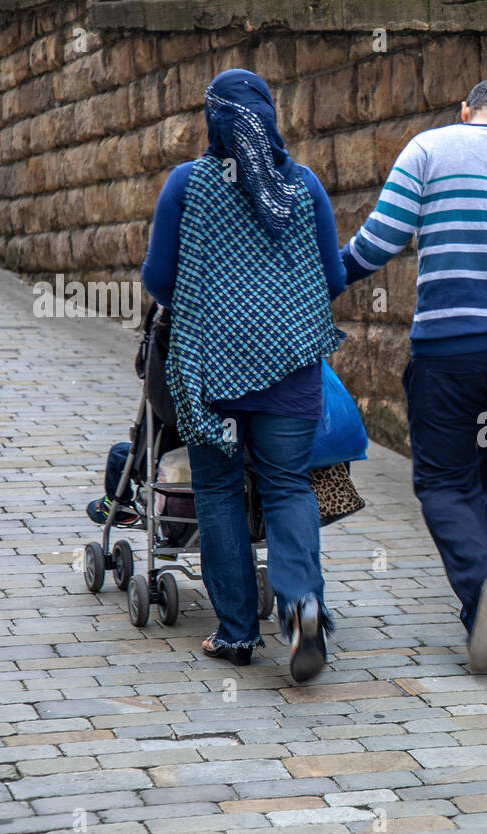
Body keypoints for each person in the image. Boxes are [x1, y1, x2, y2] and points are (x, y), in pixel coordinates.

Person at [340, 79, 487, 672]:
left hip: (449, 351)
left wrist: (325, 275)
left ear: (466, 111)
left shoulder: (427, 150)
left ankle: (482, 584)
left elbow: (381, 241)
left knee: (445, 482)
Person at [141, 69, 346, 681]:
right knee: (287, 486)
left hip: (212, 373)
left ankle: (235, 635)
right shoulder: (304, 187)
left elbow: (157, 279)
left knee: (221, 492)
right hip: (291, 371)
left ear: (213, 123)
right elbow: (332, 279)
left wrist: (215, 295)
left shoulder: (189, 184)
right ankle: (303, 605)